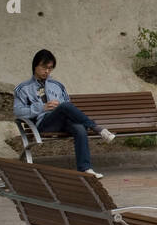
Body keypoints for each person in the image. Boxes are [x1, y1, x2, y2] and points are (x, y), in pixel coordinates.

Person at [13, 49, 115, 178]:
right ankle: (98, 129)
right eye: (44, 67)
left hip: (63, 121)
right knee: (65, 107)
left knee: (79, 128)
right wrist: (42, 107)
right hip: (44, 124)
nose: (47, 72)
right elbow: (18, 112)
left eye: (50, 68)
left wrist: (62, 109)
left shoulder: (58, 85)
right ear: (35, 66)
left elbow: (69, 106)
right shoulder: (23, 88)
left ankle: (85, 169)